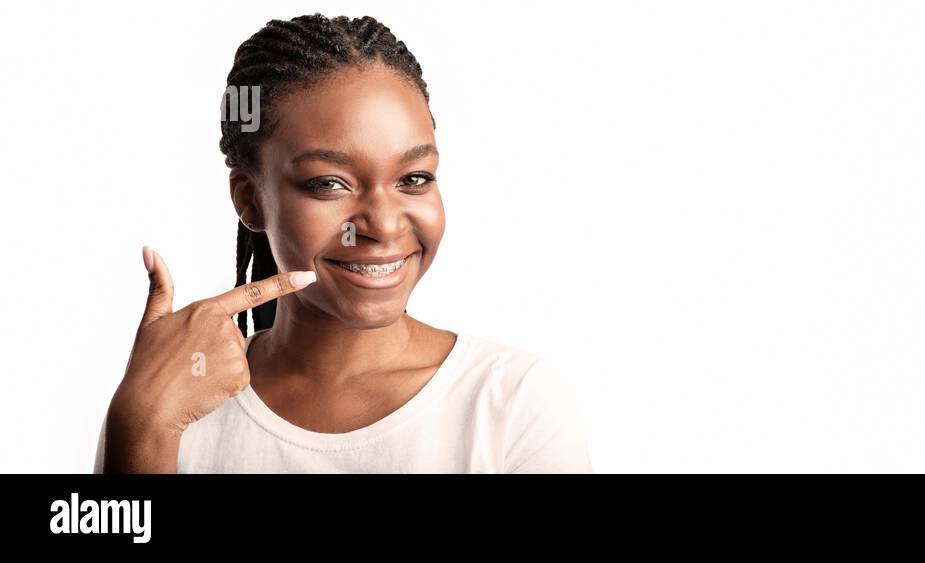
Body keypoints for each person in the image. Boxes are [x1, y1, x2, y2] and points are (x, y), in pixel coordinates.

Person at [94, 13, 593, 473]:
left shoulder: (510, 402)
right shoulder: (176, 405)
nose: (382, 225)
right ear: (250, 200)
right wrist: (144, 423)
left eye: (414, 178)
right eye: (329, 183)